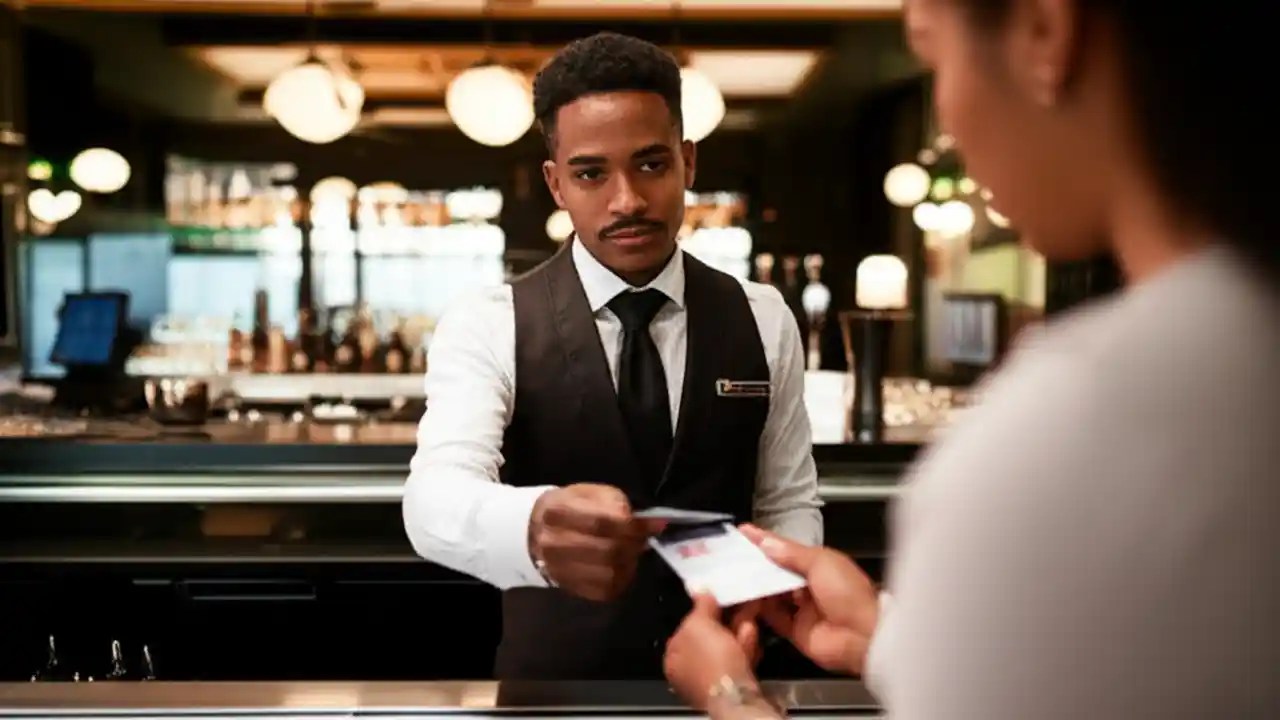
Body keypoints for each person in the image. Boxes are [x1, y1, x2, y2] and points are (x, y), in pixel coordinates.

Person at [663, 0, 1280, 717]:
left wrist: (731, 696)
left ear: (1045, 33)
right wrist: (887, 638)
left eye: (934, 58)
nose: (949, 120)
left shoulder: (1069, 431)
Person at [402, 31, 823, 680]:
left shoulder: (763, 316)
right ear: (556, 183)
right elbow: (433, 499)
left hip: (730, 681)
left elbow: (786, 497)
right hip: (556, 690)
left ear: (688, 162)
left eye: (651, 164)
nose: (626, 200)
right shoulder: (490, 321)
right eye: (591, 173)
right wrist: (534, 523)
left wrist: (776, 590)